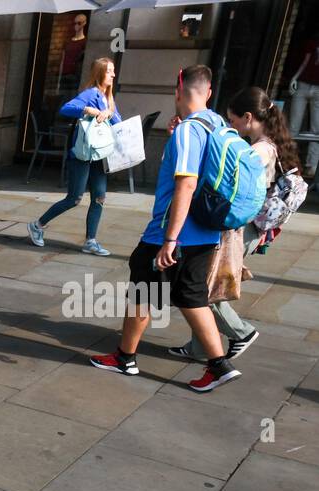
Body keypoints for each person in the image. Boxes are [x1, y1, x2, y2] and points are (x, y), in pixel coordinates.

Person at [88, 65, 240, 393]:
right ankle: (218, 365)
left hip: (171, 232)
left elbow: (186, 182)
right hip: (207, 229)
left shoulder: (188, 130)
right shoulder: (216, 122)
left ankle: (125, 358)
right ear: (209, 93)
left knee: (143, 287)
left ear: (177, 91)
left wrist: (170, 239)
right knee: (190, 295)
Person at [168, 86, 300, 361]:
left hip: (242, 229)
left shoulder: (260, 151)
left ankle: (241, 332)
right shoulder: (268, 144)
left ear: (248, 117)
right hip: (247, 227)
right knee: (206, 282)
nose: (231, 125)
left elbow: (230, 178)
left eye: (233, 119)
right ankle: (200, 347)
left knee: (203, 289)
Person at [27, 57, 122, 256]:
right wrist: (86, 109)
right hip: (83, 155)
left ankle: (91, 241)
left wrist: (109, 113)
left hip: (100, 155)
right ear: (100, 73)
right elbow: (66, 108)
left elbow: (118, 122)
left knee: (99, 197)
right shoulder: (90, 94)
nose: (113, 74)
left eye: (113, 71)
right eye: (109, 71)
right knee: (74, 198)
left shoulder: (109, 98)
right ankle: (37, 225)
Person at [287, 31, 319, 178]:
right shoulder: (311, 43)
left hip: (314, 87)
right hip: (303, 84)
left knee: (316, 130)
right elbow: (304, 62)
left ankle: (311, 166)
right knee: (294, 126)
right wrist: (294, 77)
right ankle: (288, 161)